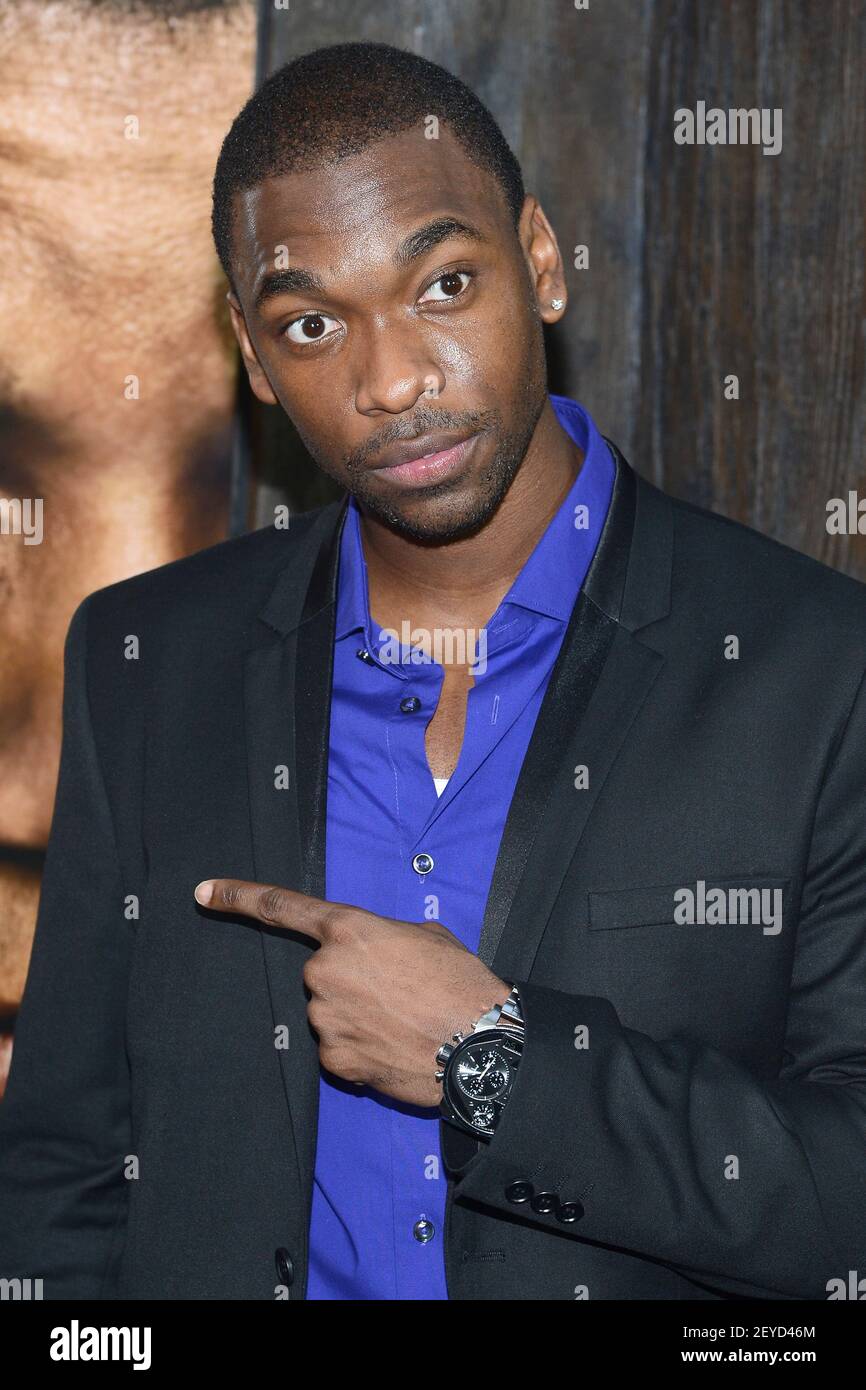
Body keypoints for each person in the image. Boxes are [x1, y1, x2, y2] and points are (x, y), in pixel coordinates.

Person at [1, 40, 865, 1302]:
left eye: (444, 284)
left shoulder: (814, 671)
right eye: (311, 323)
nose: (391, 380)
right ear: (252, 357)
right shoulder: (150, 662)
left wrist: (498, 1059)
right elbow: (63, 1178)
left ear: (543, 261)